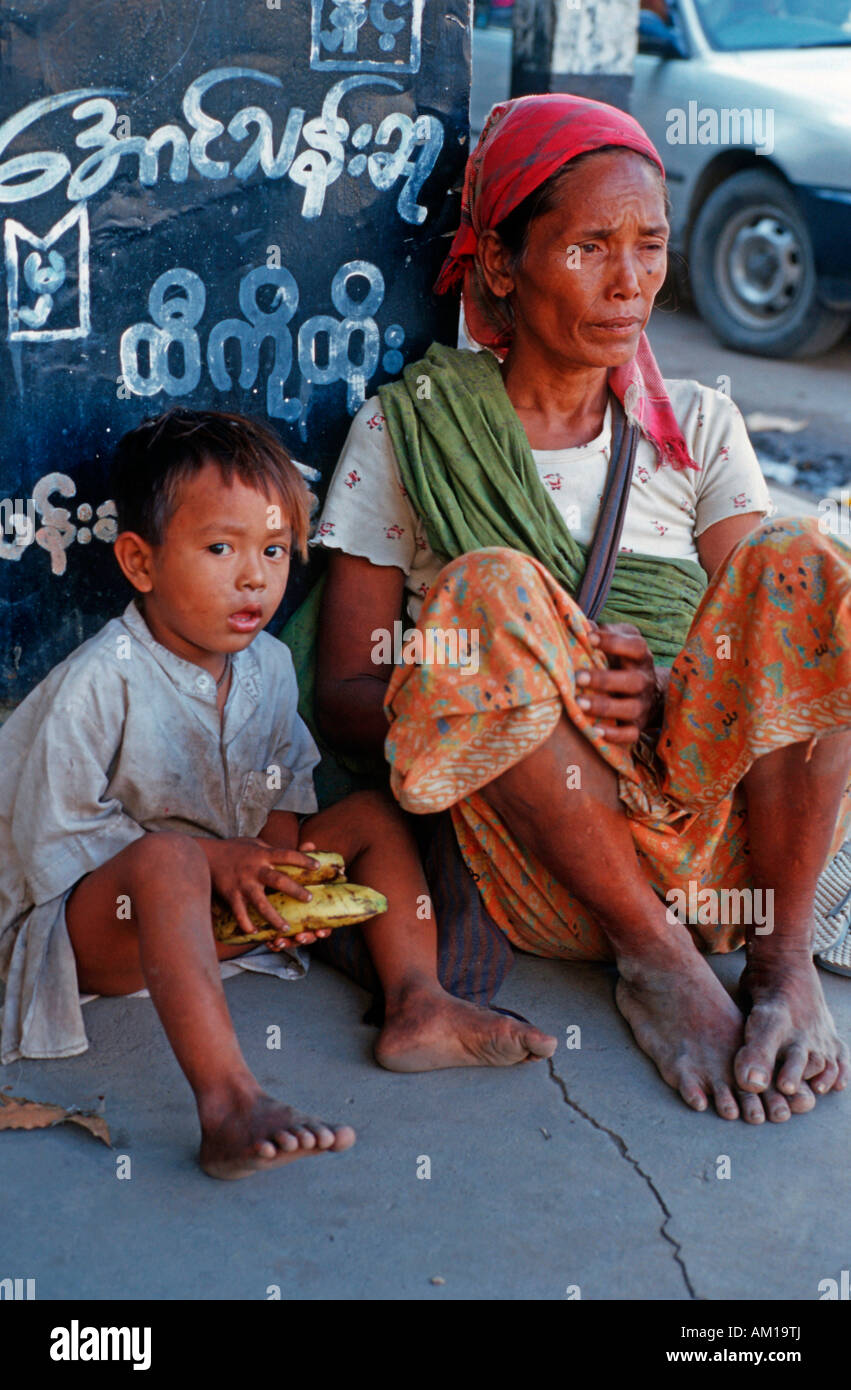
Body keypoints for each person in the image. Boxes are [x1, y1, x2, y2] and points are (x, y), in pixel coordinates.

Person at [314, 93, 851, 1124]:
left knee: (804, 558)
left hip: (721, 855)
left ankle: (780, 961)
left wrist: (660, 687)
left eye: (649, 245)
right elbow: (339, 691)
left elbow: (775, 661)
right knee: (490, 590)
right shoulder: (412, 429)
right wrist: (514, 681)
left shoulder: (695, 424)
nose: (630, 283)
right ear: (505, 265)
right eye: (589, 247)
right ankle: (655, 963)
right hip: (545, 862)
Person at [0, 408, 552, 1180]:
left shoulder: (266, 665)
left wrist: (278, 863)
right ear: (139, 561)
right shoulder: (99, 683)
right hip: (95, 929)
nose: (255, 576)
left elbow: (281, 785)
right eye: (220, 548)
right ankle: (228, 1102)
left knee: (367, 815)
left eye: (272, 549)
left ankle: (417, 1000)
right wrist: (210, 860)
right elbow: (47, 850)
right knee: (166, 862)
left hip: (220, 904)